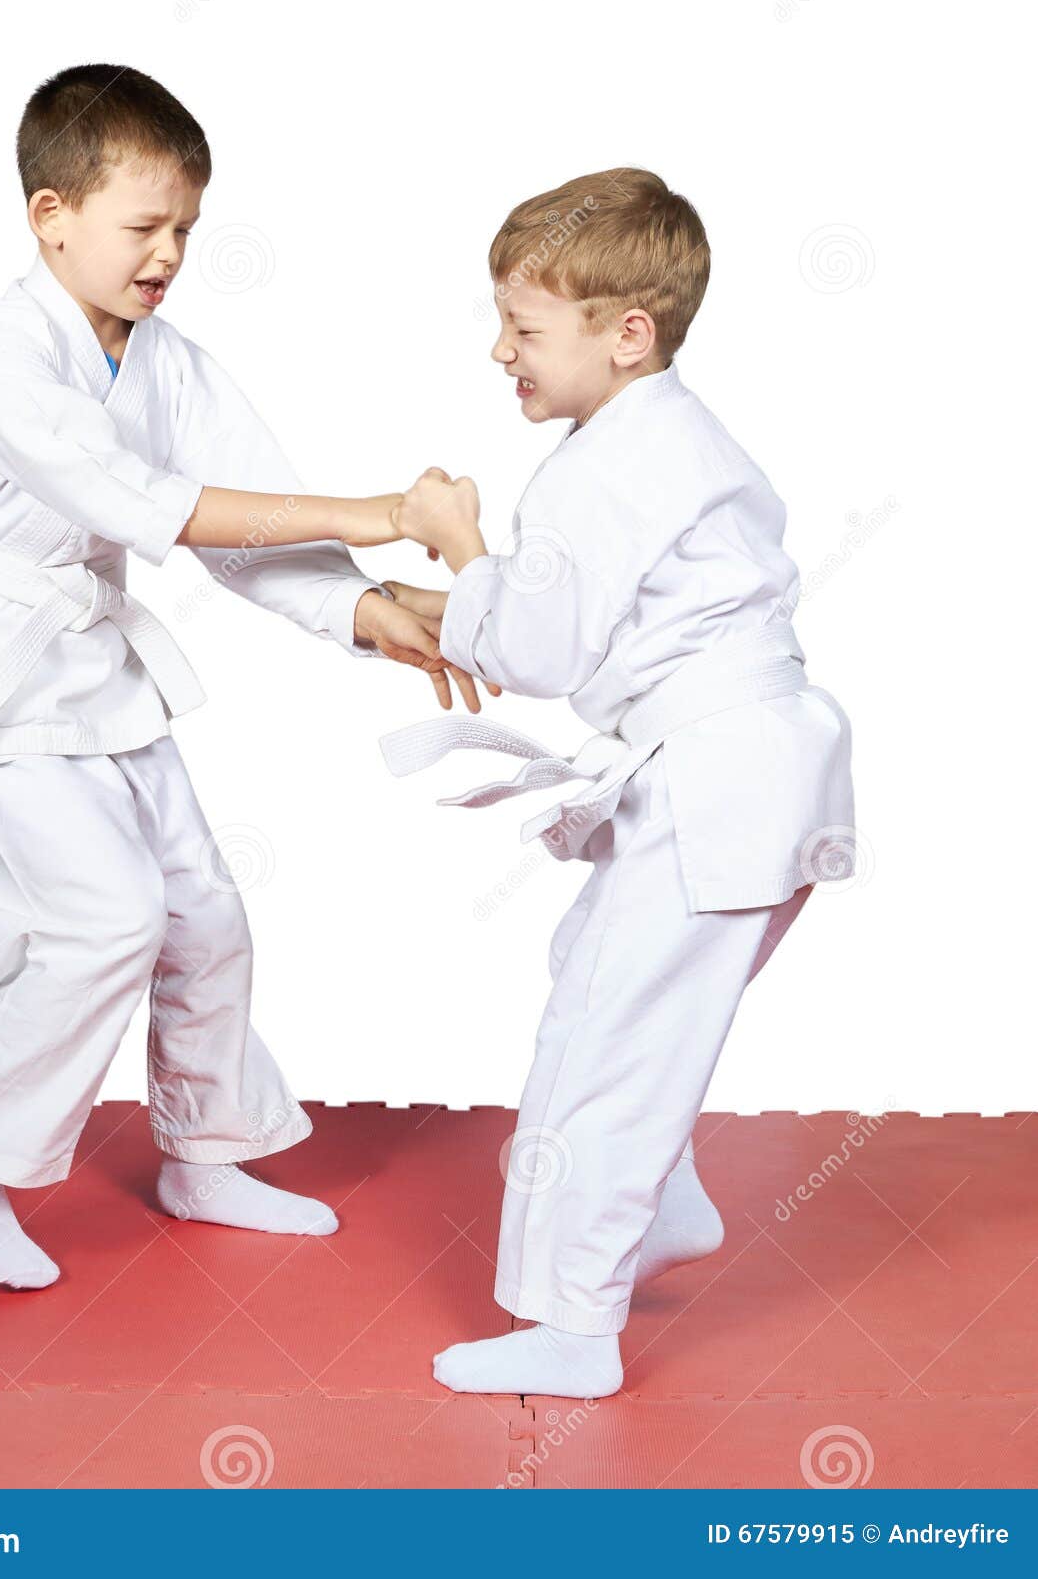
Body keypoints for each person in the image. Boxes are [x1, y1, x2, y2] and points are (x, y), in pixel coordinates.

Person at [0, 64, 490, 1291]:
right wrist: (390, 510)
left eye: (187, 230)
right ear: (50, 215)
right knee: (105, 919)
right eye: (143, 226)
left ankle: (204, 1150)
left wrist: (375, 613)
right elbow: (153, 506)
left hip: (97, 677)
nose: (168, 253)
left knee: (205, 915)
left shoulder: (166, 361)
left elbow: (245, 519)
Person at [383, 169, 855, 1396]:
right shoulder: (668, 441)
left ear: (626, 334)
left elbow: (537, 647)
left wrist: (458, 541)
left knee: (609, 1043)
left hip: (719, 782)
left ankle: (578, 1328)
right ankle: (663, 1204)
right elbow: (576, 623)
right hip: (757, 771)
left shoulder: (606, 468)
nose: (500, 351)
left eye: (525, 329)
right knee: (611, 1000)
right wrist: (409, 608)